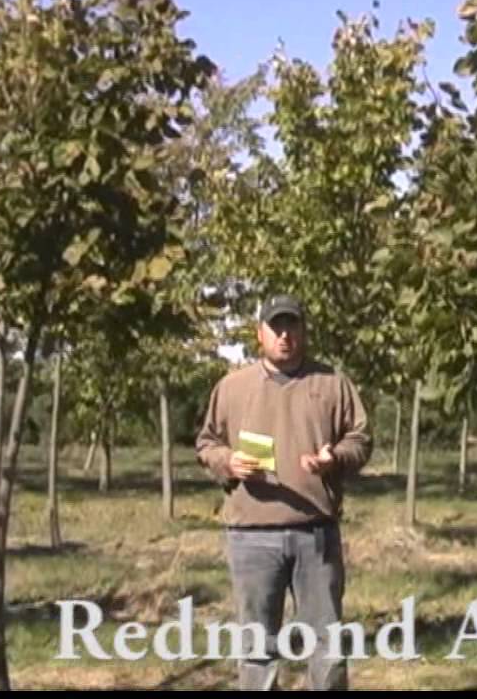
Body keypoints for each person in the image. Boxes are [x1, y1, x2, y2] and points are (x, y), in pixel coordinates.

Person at [196, 294, 371, 690]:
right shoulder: (232, 388)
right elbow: (206, 443)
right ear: (260, 334)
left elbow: (360, 439)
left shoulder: (333, 385)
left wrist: (336, 458)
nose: (285, 335)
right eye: (276, 327)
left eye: (292, 326)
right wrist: (228, 462)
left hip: (316, 533)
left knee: (325, 642)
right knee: (257, 644)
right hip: (252, 536)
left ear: (304, 331)